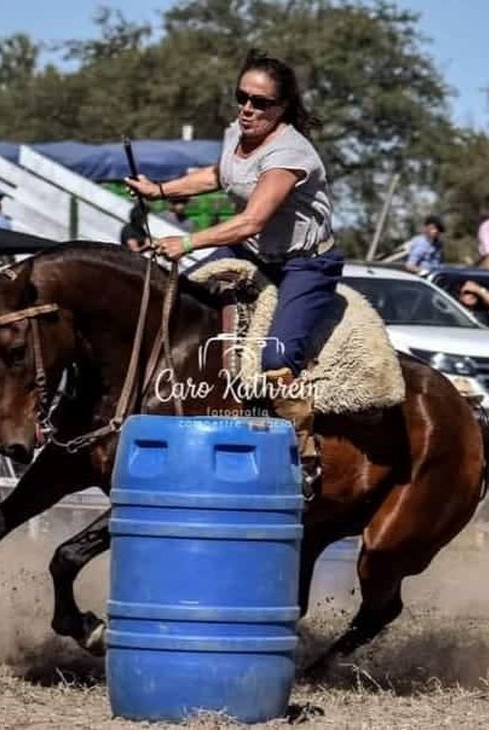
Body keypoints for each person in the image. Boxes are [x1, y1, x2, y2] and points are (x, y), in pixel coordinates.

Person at [126, 49, 343, 493]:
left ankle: (306, 451)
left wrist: (184, 242)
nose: (247, 108)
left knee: (277, 357)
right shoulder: (237, 133)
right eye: (241, 97)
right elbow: (218, 175)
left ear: (282, 108)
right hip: (252, 253)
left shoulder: (289, 154)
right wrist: (159, 190)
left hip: (304, 264)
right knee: (179, 299)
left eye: (260, 102)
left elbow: (252, 220)